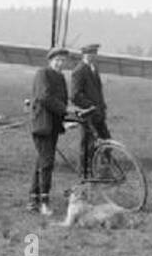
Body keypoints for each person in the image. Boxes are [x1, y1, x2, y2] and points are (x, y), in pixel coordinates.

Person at [29, 47, 72, 216]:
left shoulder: (61, 77)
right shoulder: (43, 74)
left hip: (53, 125)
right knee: (47, 163)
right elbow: (44, 97)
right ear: (50, 60)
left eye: (63, 60)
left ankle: (34, 200)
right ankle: (44, 203)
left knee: (41, 162)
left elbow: (61, 101)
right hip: (42, 125)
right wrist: (65, 110)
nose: (60, 63)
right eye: (57, 60)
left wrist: (66, 121)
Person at [69, 42, 109, 178]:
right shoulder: (79, 71)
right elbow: (74, 95)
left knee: (106, 141)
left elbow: (97, 90)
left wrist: (101, 107)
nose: (93, 56)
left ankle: (104, 170)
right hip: (88, 115)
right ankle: (85, 173)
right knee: (88, 145)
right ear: (84, 55)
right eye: (90, 53)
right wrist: (89, 106)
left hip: (98, 113)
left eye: (94, 53)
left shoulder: (93, 68)